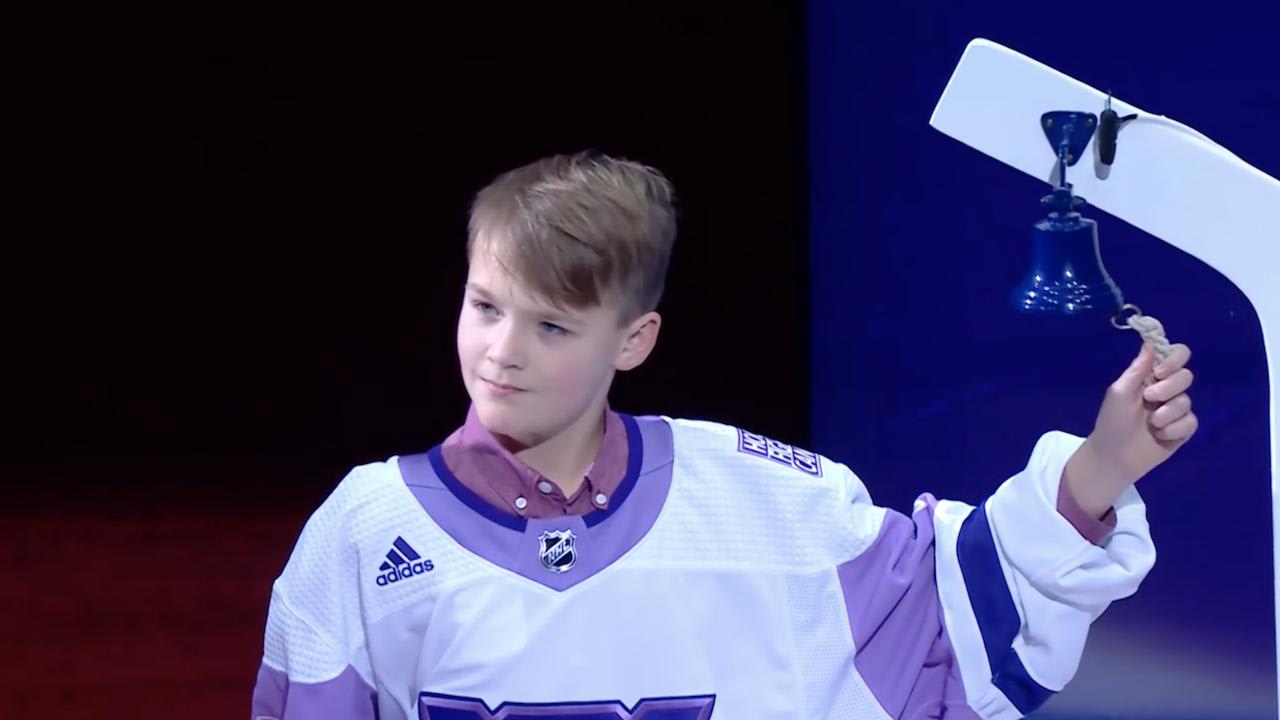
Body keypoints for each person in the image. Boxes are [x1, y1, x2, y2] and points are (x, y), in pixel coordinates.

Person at [250, 151, 1197, 719]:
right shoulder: (367, 530)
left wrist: (1100, 469)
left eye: (551, 326)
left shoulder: (759, 502)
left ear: (635, 339)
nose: (502, 351)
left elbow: (949, 618)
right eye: (485, 306)